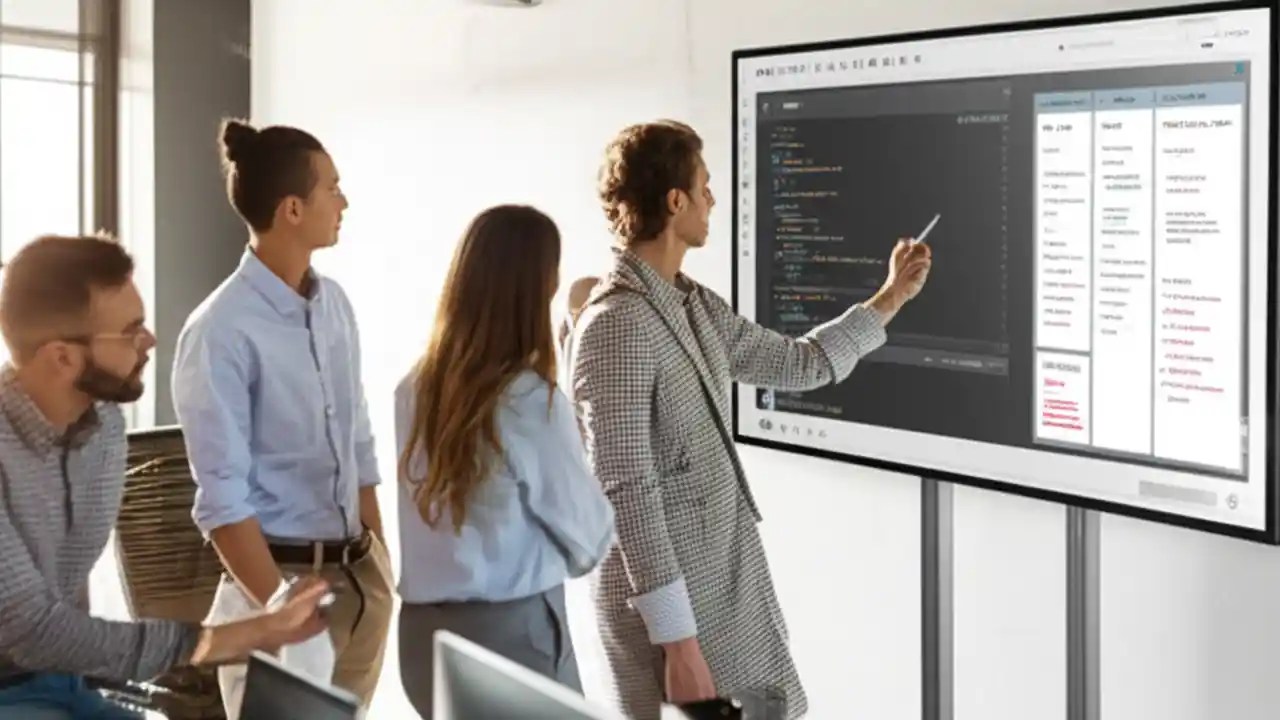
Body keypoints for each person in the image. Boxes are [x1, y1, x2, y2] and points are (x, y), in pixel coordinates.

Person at [570, 120, 932, 719]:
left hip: (722, 588)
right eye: (704, 186)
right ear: (675, 201)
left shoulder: (691, 304)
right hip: (672, 619)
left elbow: (800, 362)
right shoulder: (616, 325)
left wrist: (890, 296)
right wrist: (677, 642)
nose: (713, 200)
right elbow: (627, 494)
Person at [0, 235, 332, 720]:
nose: (150, 340)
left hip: (63, 681)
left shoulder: (103, 430)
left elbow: (64, 607)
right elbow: (31, 630)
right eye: (130, 331)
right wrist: (244, 634)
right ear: (62, 357)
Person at [170, 119, 393, 715]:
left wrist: (378, 560)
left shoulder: (335, 305)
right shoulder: (219, 330)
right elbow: (222, 502)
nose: (344, 202)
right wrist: (282, 607)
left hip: (358, 583)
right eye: (333, 188)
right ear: (293, 209)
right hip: (278, 591)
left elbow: (359, 443)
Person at [394, 205, 614, 719]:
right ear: (538, 288)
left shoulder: (412, 389)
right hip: (512, 642)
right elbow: (590, 542)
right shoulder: (530, 402)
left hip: (422, 639)